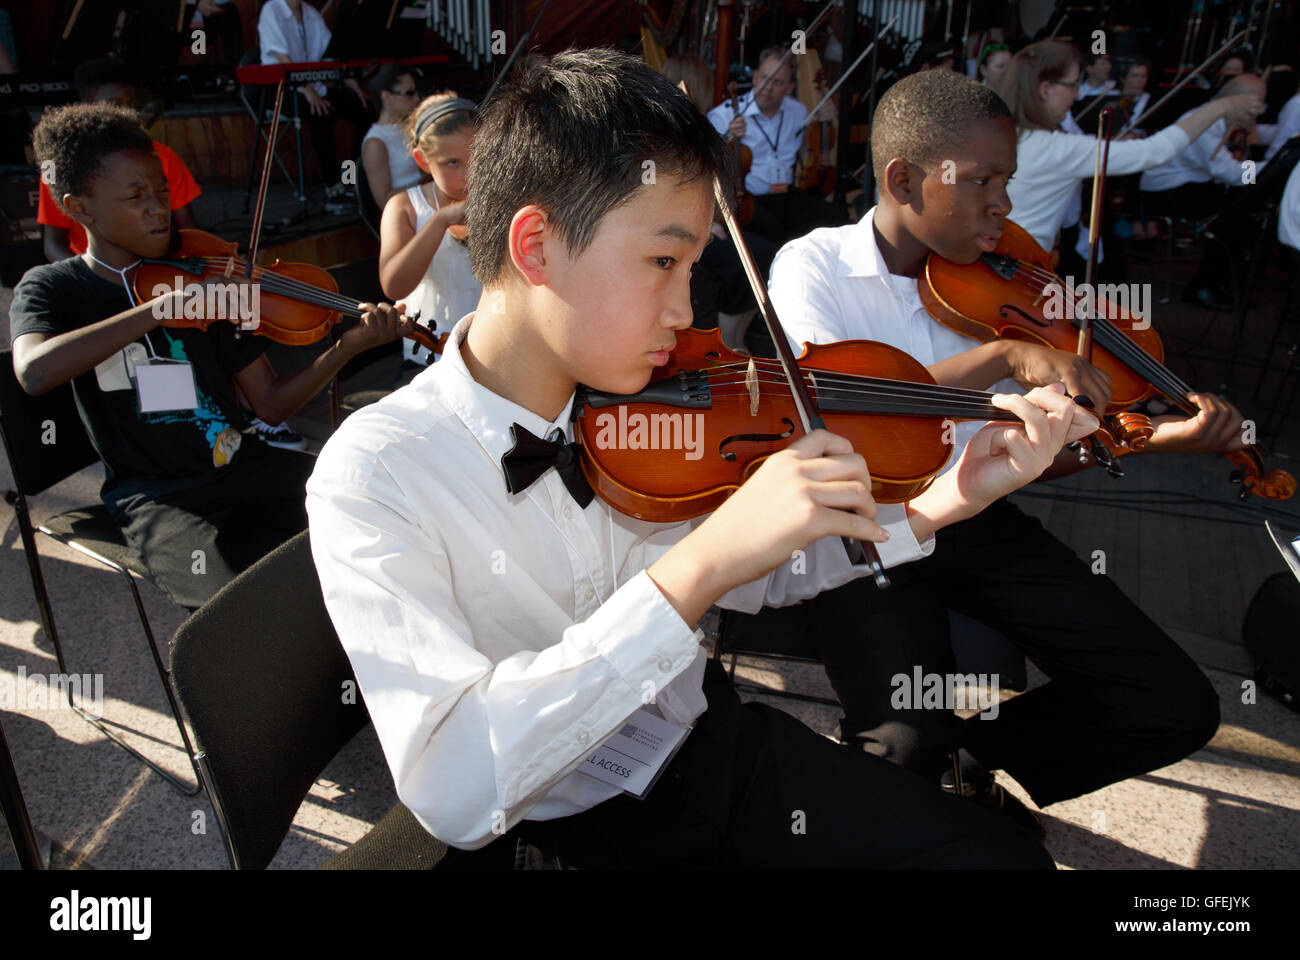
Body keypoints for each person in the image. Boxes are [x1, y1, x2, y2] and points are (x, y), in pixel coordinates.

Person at [305, 49, 1098, 868]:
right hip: (561, 831)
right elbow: (453, 787)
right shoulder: (378, 472)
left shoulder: (649, 407)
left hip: (707, 747)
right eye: (662, 262)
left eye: (691, 267)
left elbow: (762, 574)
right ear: (536, 246)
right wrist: (694, 574)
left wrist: (944, 501)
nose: (686, 308)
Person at [765, 67, 1240, 822]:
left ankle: (973, 758)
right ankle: (920, 778)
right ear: (904, 179)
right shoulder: (811, 265)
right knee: (902, 747)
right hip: (870, 532)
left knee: (1173, 703)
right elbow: (849, 405)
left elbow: (1037, 451)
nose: (1005, 205)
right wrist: (1002, 357)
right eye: (984, 180)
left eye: (1009, 180)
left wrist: (1158, 438)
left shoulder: (1000, 284)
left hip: (978, 520)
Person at [10, 102, 414, 611]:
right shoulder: (53, 289)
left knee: (371, 519)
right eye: (136, 197)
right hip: (157, 497)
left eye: (162, 191)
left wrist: (345, 348)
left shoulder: (203, 275)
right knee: (239, 608)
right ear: (79, 208)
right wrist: (156, 310)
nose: (159, 209)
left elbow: (270, 405)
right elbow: (34, 370)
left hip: (240, 463)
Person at [995, 40, 1263, 257]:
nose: (1077, 95)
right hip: (1176, 192)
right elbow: (1162, 153)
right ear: (1045, 89)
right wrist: (1222, 110)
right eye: (1072, 84)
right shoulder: (1054, 147)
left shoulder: (1006, 133)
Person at [37, 58, 200, 263]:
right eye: (115, 104)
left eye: (132, 105)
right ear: (87, 106)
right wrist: (89, 279)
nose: (128, 113)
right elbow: (53, 244)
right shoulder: (56, 167)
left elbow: (189, 229)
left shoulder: (162, 156)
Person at [1140, 74, 1267, 310]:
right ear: (1234, 100)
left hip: (1193, 183)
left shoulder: (1226, 121)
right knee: (1231, 218)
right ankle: (1202, 287)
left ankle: (1222, 281)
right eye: (1256, 104)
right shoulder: (1204, 123)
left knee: (1244, 212)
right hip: (1168, 189)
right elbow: (1230, 173)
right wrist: (1271, 163)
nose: (1259, 112)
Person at [378, 92, 481, 379]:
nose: (469, 173)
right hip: (427, 361)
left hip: (494, 357)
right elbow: (394, 285)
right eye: (452, 163)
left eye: (478, 157)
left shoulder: (503, 201)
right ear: (423, 162)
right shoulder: (405, 207)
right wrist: (439, 221)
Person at [705, 46, 845, 246]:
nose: (767, 87)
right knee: (774, 232)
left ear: (789, 88)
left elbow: (809, 150)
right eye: (764, 78)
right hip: (751, 200)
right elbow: (710, 162)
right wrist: (730, 138)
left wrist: (825, 121)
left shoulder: (798, 111)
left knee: (834, 214)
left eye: (777, 82)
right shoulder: (725, 114)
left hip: (787, 195)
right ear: (755, 77)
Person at [257, 0, 370, 200]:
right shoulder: (271, 10)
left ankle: (351, 178)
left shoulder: (310, 14)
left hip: (315, 86)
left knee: (363, 109)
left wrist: (355, 87)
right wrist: (307, 90)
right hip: (282, 90)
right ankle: (332, 184)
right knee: (320, 112)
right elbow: (282, 58)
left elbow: (333, 57)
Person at [360, 64, 424, 208]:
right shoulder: (375, 142)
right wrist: (429, 184)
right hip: (406, 214)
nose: (416, 99)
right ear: (386, 96)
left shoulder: (410, 127)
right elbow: (384, 200)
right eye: (409, 93)